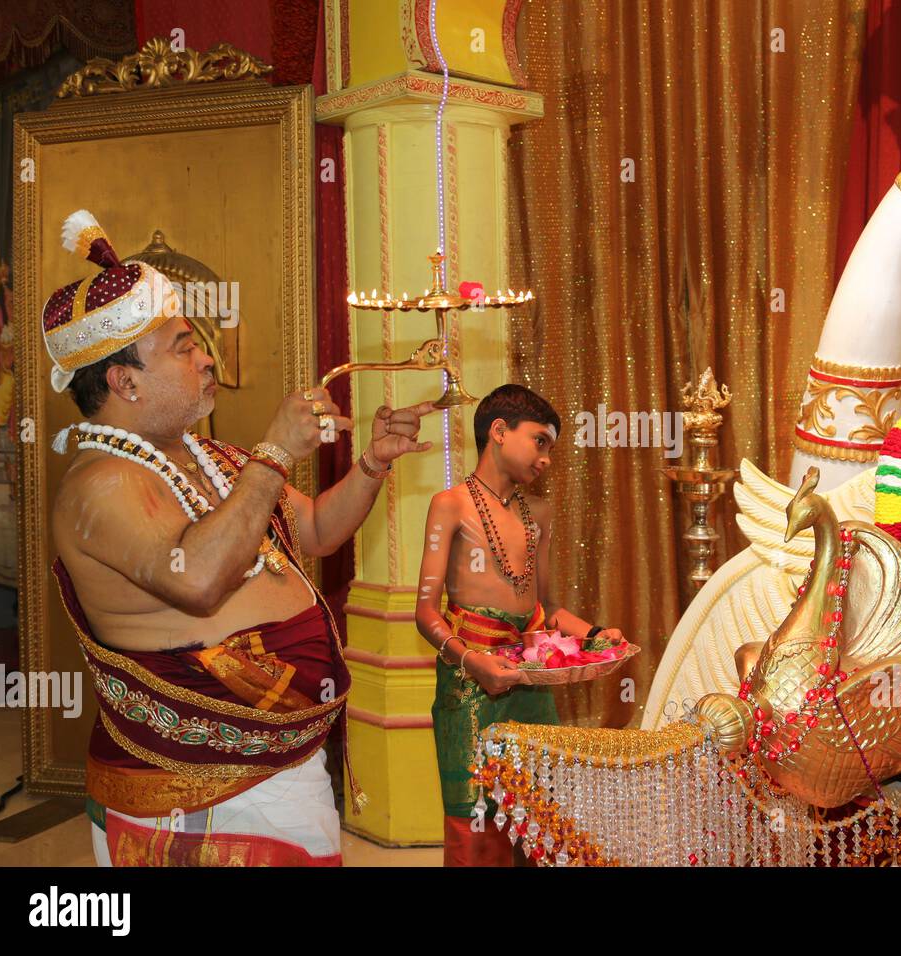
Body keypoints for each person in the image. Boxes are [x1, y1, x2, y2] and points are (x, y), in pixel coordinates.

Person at [46, 210, 437, 865]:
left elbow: (313, 529)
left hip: (272, 768)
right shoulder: (101, 485)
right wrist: (274, 453)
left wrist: (371, 465)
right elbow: (196, 582)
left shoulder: (208, 457)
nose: (206, 358)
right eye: (182, 347)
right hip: (193, 792)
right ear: (124, 382)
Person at [415, 384, 624, 866]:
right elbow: (425, 613)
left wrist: (596, 636)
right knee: (477, 821)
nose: (547, 458)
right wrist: (471, 660)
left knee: (539, 816)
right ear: (499, 432)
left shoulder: (539, 515)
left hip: (531, 681)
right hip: (469, 683)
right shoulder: (451, 505)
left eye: (552, 447)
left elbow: (549, 610)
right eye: (540, 442)